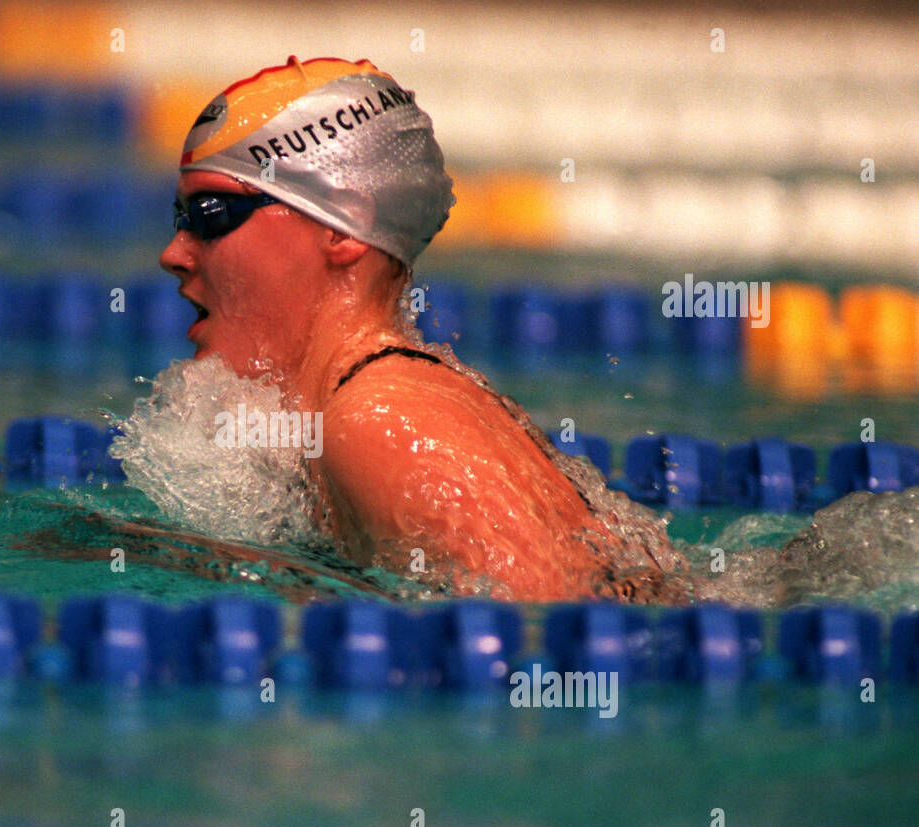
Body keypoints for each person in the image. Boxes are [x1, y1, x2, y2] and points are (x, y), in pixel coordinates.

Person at [160, 56, 686, 603]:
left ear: (342, 227)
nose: (173, 254)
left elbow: (554, 644)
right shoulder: (357, 410)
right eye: (180, 221)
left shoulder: (377, 424)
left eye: (210, 214)